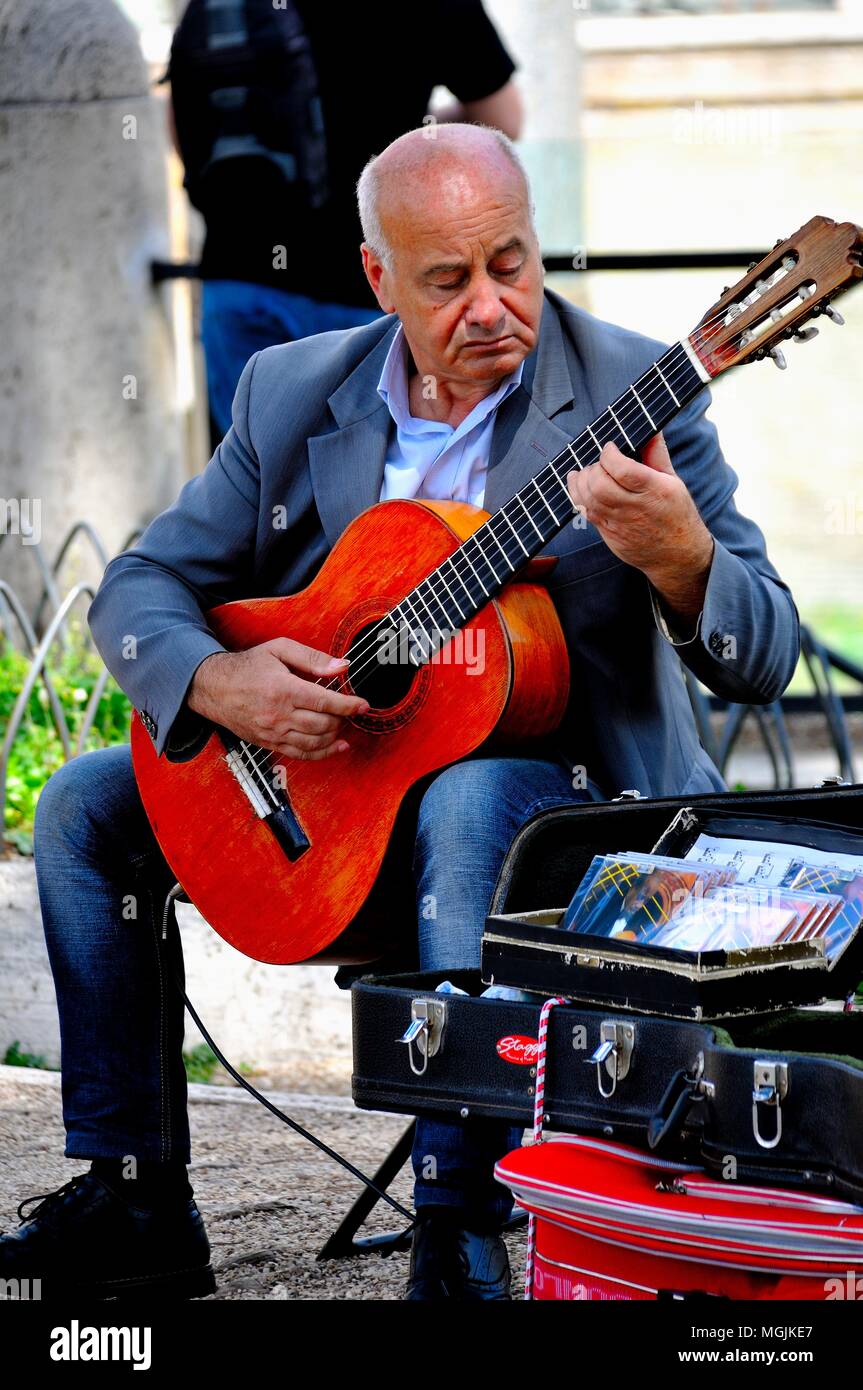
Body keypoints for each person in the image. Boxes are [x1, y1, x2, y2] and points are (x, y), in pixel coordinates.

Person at [0, 124, 800, 1301]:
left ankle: (457, 1224)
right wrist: (219, 681)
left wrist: (683, 563)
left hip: (564, 829)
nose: (491, 306)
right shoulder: (290, 390)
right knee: (82, 805)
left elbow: (764, 652)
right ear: (378, 278)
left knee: (470, 788)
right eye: (447, 280)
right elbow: (136, 587)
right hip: (345, 807)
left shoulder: (638, 393)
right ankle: (135, 1198)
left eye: (513, 264)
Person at [167, 0, 523, 437]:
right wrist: (414, 136)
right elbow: (502, 119)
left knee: (258, 485)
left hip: (238, 281)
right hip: (367, 287)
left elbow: (184, 122)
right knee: (373, 491)